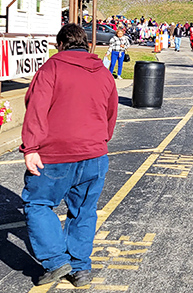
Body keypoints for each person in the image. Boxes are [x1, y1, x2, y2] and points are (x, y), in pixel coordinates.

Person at [21, 24, 118, 288]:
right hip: (95, 153)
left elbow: (36, 109)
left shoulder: (52, 68)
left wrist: (31, 148)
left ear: (61, 44)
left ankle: (55, 260)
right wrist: (101, 140)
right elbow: (111, 113)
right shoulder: (104, 73)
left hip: (55, 153)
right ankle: (80, 268)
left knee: (38, 203)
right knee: (84, 211)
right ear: (86, 44)